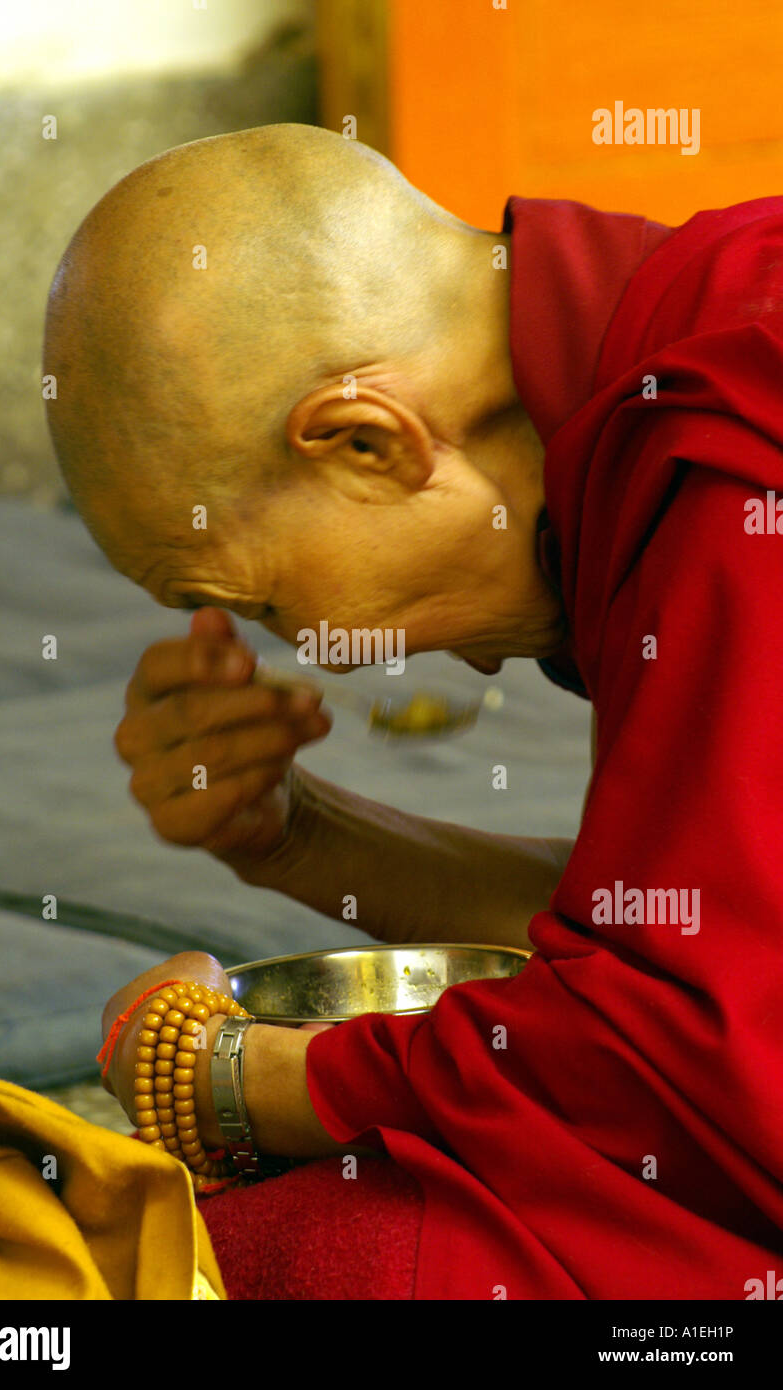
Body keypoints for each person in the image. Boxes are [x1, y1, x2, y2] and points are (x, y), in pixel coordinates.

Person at [44, 124, 783, 1299]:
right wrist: (301, 838)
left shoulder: (736, 482)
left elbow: (707, 1078)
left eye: (270, 600)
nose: (318, 653)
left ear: (365, 442)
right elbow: (698, 942)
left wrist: (232, 1079)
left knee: (340, 1253)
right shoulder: (693, 353)